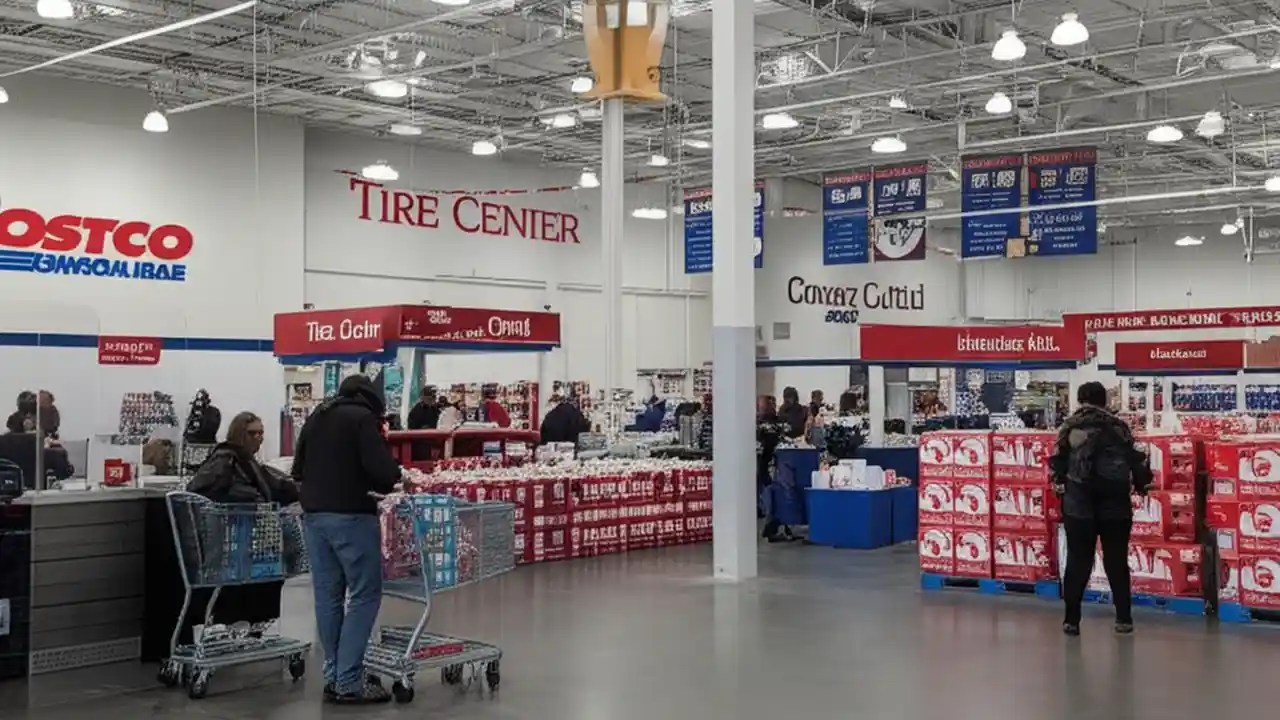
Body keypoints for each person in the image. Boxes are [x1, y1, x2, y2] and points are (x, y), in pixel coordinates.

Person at [292, 375, 405, 705]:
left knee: (327, 597)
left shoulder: (317, 415)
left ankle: (333, 675)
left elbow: (298, 470)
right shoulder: (362, 419)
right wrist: (395, 475)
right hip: (352, 518)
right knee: (364, 595)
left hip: (314, 518)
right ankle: (349, 680)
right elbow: (383, 472)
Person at [1050, 381, 1152, 637]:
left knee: (1078, 560)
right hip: (1116, 505)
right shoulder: (1119, 428)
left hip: (1078, 504)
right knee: (1116, 560)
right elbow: (1136, 462)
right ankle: (1124, 618)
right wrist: (1141, 485)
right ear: (1104, 400)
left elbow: (1056, 466)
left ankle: (1071, 620)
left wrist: (1061, 486)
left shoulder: (1069, 427)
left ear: (1080, 399)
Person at [184, 412, 298, 641]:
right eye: (252, 433)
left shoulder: (248, 462)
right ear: (238, 433)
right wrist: (248, 499)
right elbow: (202, 489)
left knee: (263, 572)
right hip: (233, 537)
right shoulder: (226, 459)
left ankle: (247, 622)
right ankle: (238, 622)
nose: (258, 438)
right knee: (254, 573)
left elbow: (275, 486)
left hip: (244, 536)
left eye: (261, 433)